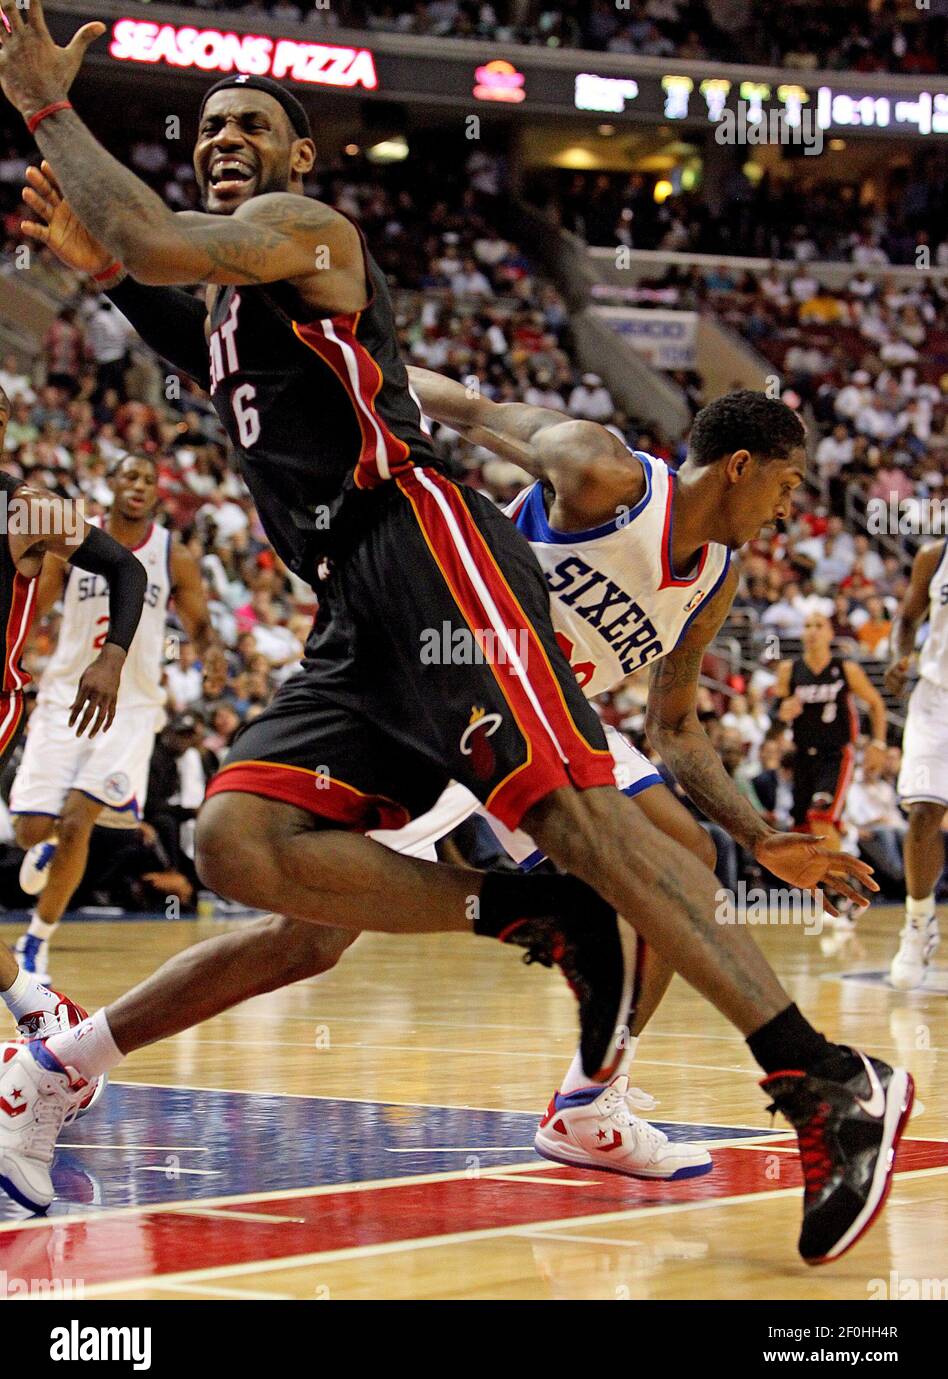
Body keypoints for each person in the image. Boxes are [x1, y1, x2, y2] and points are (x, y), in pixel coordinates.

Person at [0, 21, 913, 1267]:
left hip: (431, 554)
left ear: (301, 158)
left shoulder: (309, 236)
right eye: (207, 127)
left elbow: (157, 237)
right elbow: (192, 324)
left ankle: (820, 1080)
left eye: (250, 127)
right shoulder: (236, 312)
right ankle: (531, 915)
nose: (223, 141)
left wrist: (52, 114)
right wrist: (111, 281)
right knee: (245, 845)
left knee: (617, 834)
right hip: (358, 609)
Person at [375, 371, 883, 1178]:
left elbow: (673, 726)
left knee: (685, 860)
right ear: (741, 466)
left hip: (558, 720)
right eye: (787, 485)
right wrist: (351, 361)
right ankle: (93, 1047)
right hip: (454, 687)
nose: (791, 507)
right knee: (301, 929)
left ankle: (591, 1096)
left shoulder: (715, 578)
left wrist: (757, 836)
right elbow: (470, 409)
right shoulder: (608, 477)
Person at [0, 387, 148, 1135]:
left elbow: (128, 569)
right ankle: (45, 1015)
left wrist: (111, 659)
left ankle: (43, 1019)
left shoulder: (25, 509)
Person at [9, 454, 215, 983]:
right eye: (130, 475)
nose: (139, 485)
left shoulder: (173, 555)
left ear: (156, 493)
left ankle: (36, 941)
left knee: (79, 822)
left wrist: (210, 653)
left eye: (149, 478)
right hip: (61, 698)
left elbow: (199, 623)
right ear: (111, 483)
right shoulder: (72, 540)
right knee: (30, 829)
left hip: (131, 704)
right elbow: (30, 610)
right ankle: (55, 841)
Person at [773, 613, 889, 932]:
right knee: (804, 827)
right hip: (802, 756)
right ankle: (845, 890)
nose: (811, 631)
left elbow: (876, 703)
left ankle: (842, 897)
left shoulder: (845, 668)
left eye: (818, 625)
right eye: (806, 625)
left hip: (835, 754)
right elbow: (776, 713)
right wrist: (781, 712)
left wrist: (878, 743)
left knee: (822, 818)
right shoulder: (789, 670)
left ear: (829, 633)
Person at [884, 541, 948, 986]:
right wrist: (899, 655)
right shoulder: (935, 556)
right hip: (936, 698)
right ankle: (918, 921)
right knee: (924, 812)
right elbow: (907, 617)